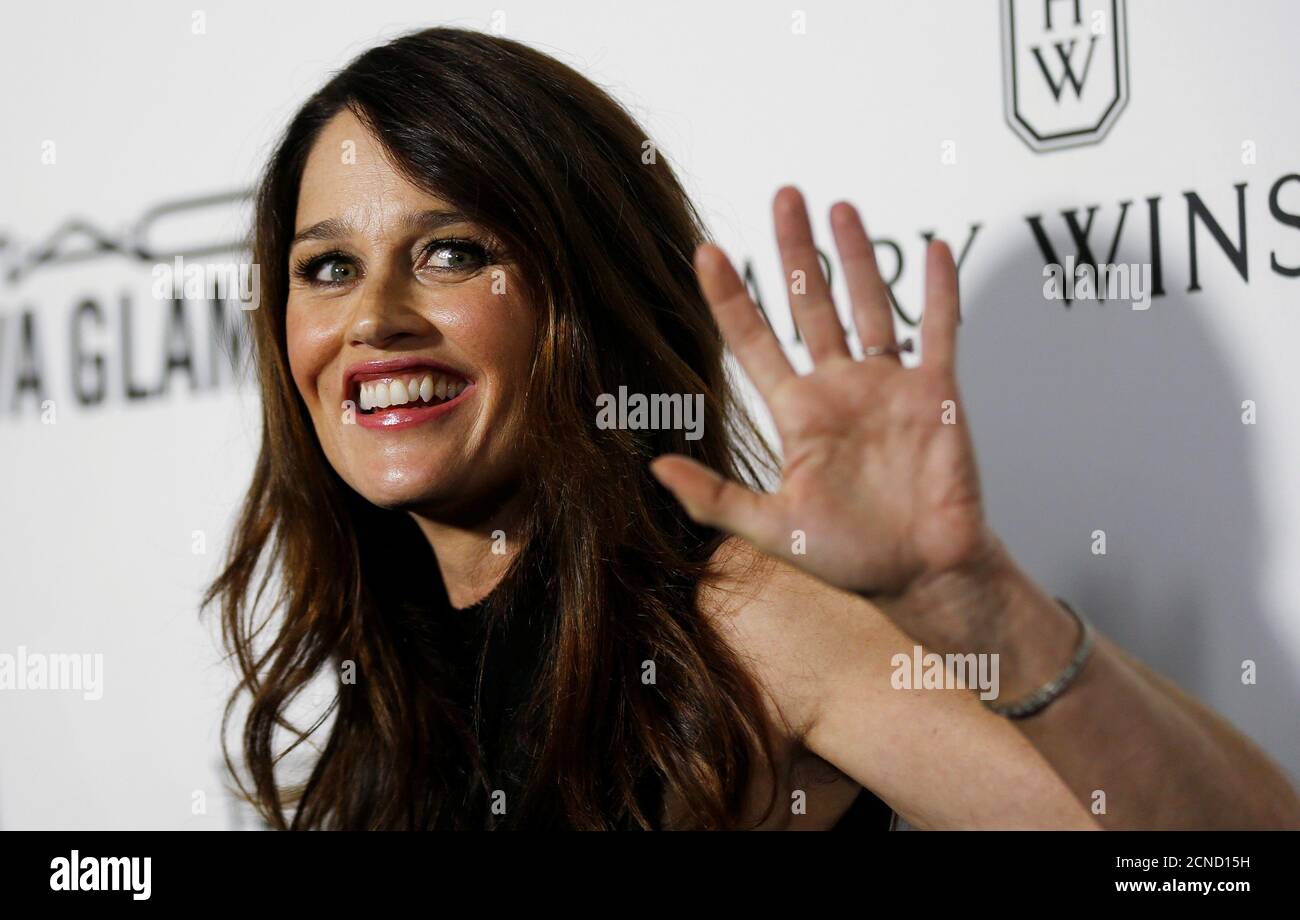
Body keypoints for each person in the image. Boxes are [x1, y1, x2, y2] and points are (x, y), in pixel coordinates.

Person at [205, 26, 1300, 830]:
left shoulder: (740, 620)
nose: (375, 319)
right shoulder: (382, 699)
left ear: (582, 293)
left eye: (453, 252)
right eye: (328, 267)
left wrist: (980, 603)